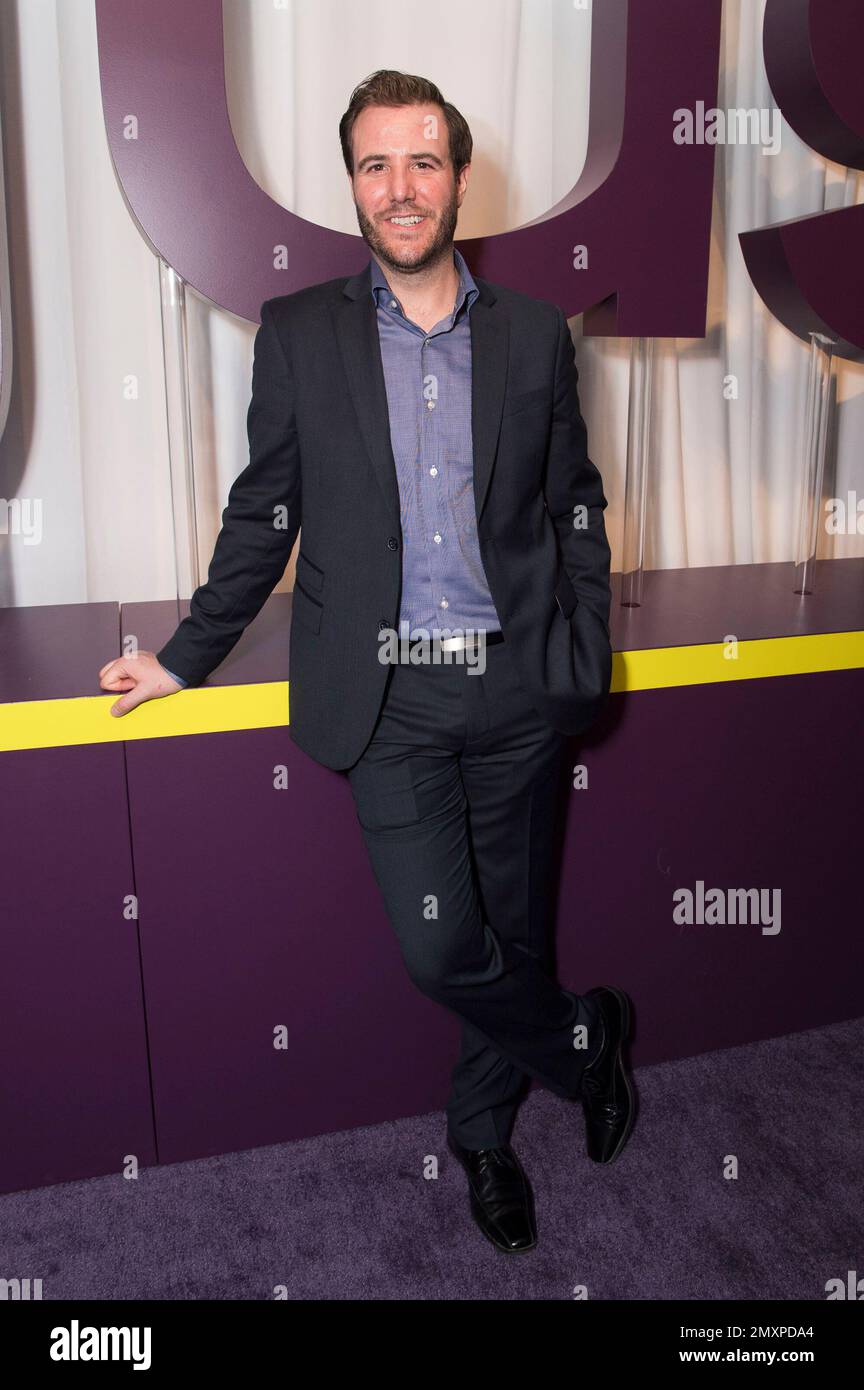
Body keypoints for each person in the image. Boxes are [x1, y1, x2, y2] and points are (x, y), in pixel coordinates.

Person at [99, 69, 636, 1255]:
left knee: (518, 928)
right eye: (377, 164)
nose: (402, 188)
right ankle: (588, 1040)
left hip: (517, 686)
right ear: (352, 183)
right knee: (445, 942)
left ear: (458, 180)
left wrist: (585, 645)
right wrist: (187, 656)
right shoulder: (298, 336)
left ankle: (484, 1138)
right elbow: (264, 515)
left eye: (425, 162)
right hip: (386, 693)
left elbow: (577, 505)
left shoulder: (538, 336)